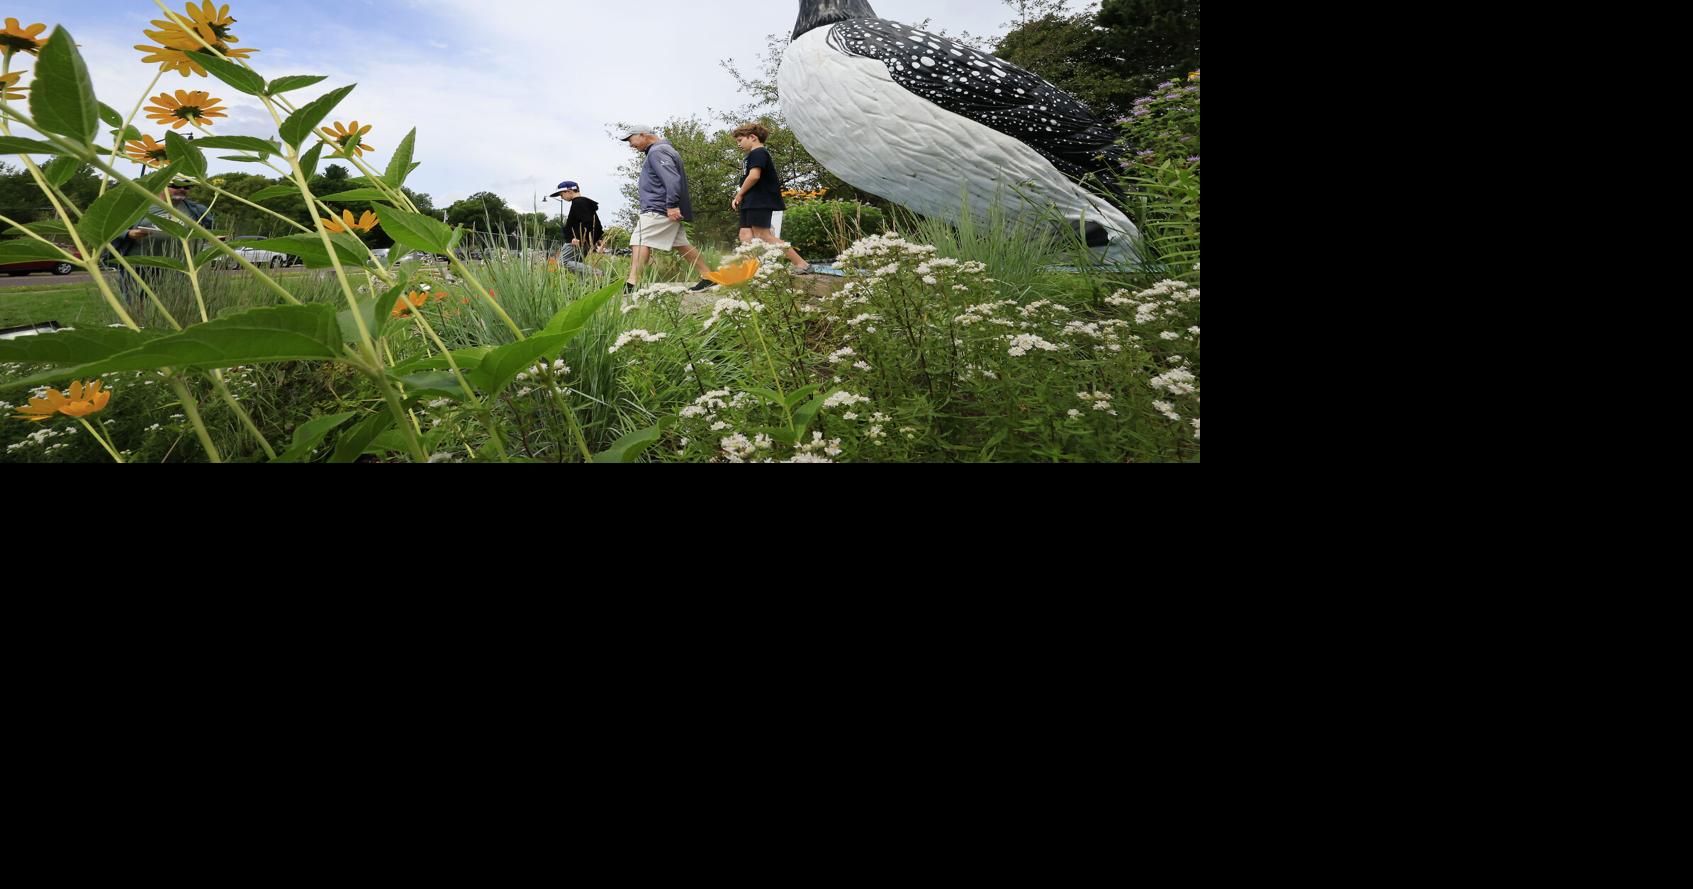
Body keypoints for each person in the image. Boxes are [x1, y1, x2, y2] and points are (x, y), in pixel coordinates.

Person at [619, 125, 715, 294]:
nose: (630, 145)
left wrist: (671, 205)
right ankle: (709, 277)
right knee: (682, 245)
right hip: (663, 207)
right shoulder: (663, 150)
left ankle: (632, 283)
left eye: (630, 140)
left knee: (639, 240)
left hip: (658, 207)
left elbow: (671, 179)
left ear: (642, 135)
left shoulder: (658, 152)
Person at [111, 181, 216, 308]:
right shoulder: (140, 206)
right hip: (141, 265)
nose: (182, 189)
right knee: (136, 304)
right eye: (176, 186)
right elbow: (112, 229)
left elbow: (209, 230)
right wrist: (128, 233)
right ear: (162, 186)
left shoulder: (196, 210)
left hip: (178, 267)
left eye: (187, 187)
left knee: (176, 304)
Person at [730, 123, 815, 274]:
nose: (738, 144)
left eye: (740, 140)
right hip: (749, 201)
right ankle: (750, 271)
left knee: (764, 235)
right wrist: (741, 197)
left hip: (759, 200)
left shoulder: (759, 152)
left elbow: (754, 176)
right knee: (745, 234)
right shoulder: (750, 156)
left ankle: (802, 264)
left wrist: (739, 194)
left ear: (753, 137)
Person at [549, 180, 604, 274]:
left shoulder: (578, 202)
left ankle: (598, 274)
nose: (561, 197)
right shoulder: (584, 202)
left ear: (569, 191)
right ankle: (588, 285)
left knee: (563, 262)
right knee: (577, 267)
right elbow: (595, 223)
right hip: (583, 241)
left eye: (561, 194)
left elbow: (589, 222)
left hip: (575, 241)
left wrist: (578, 238)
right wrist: (598, 238)